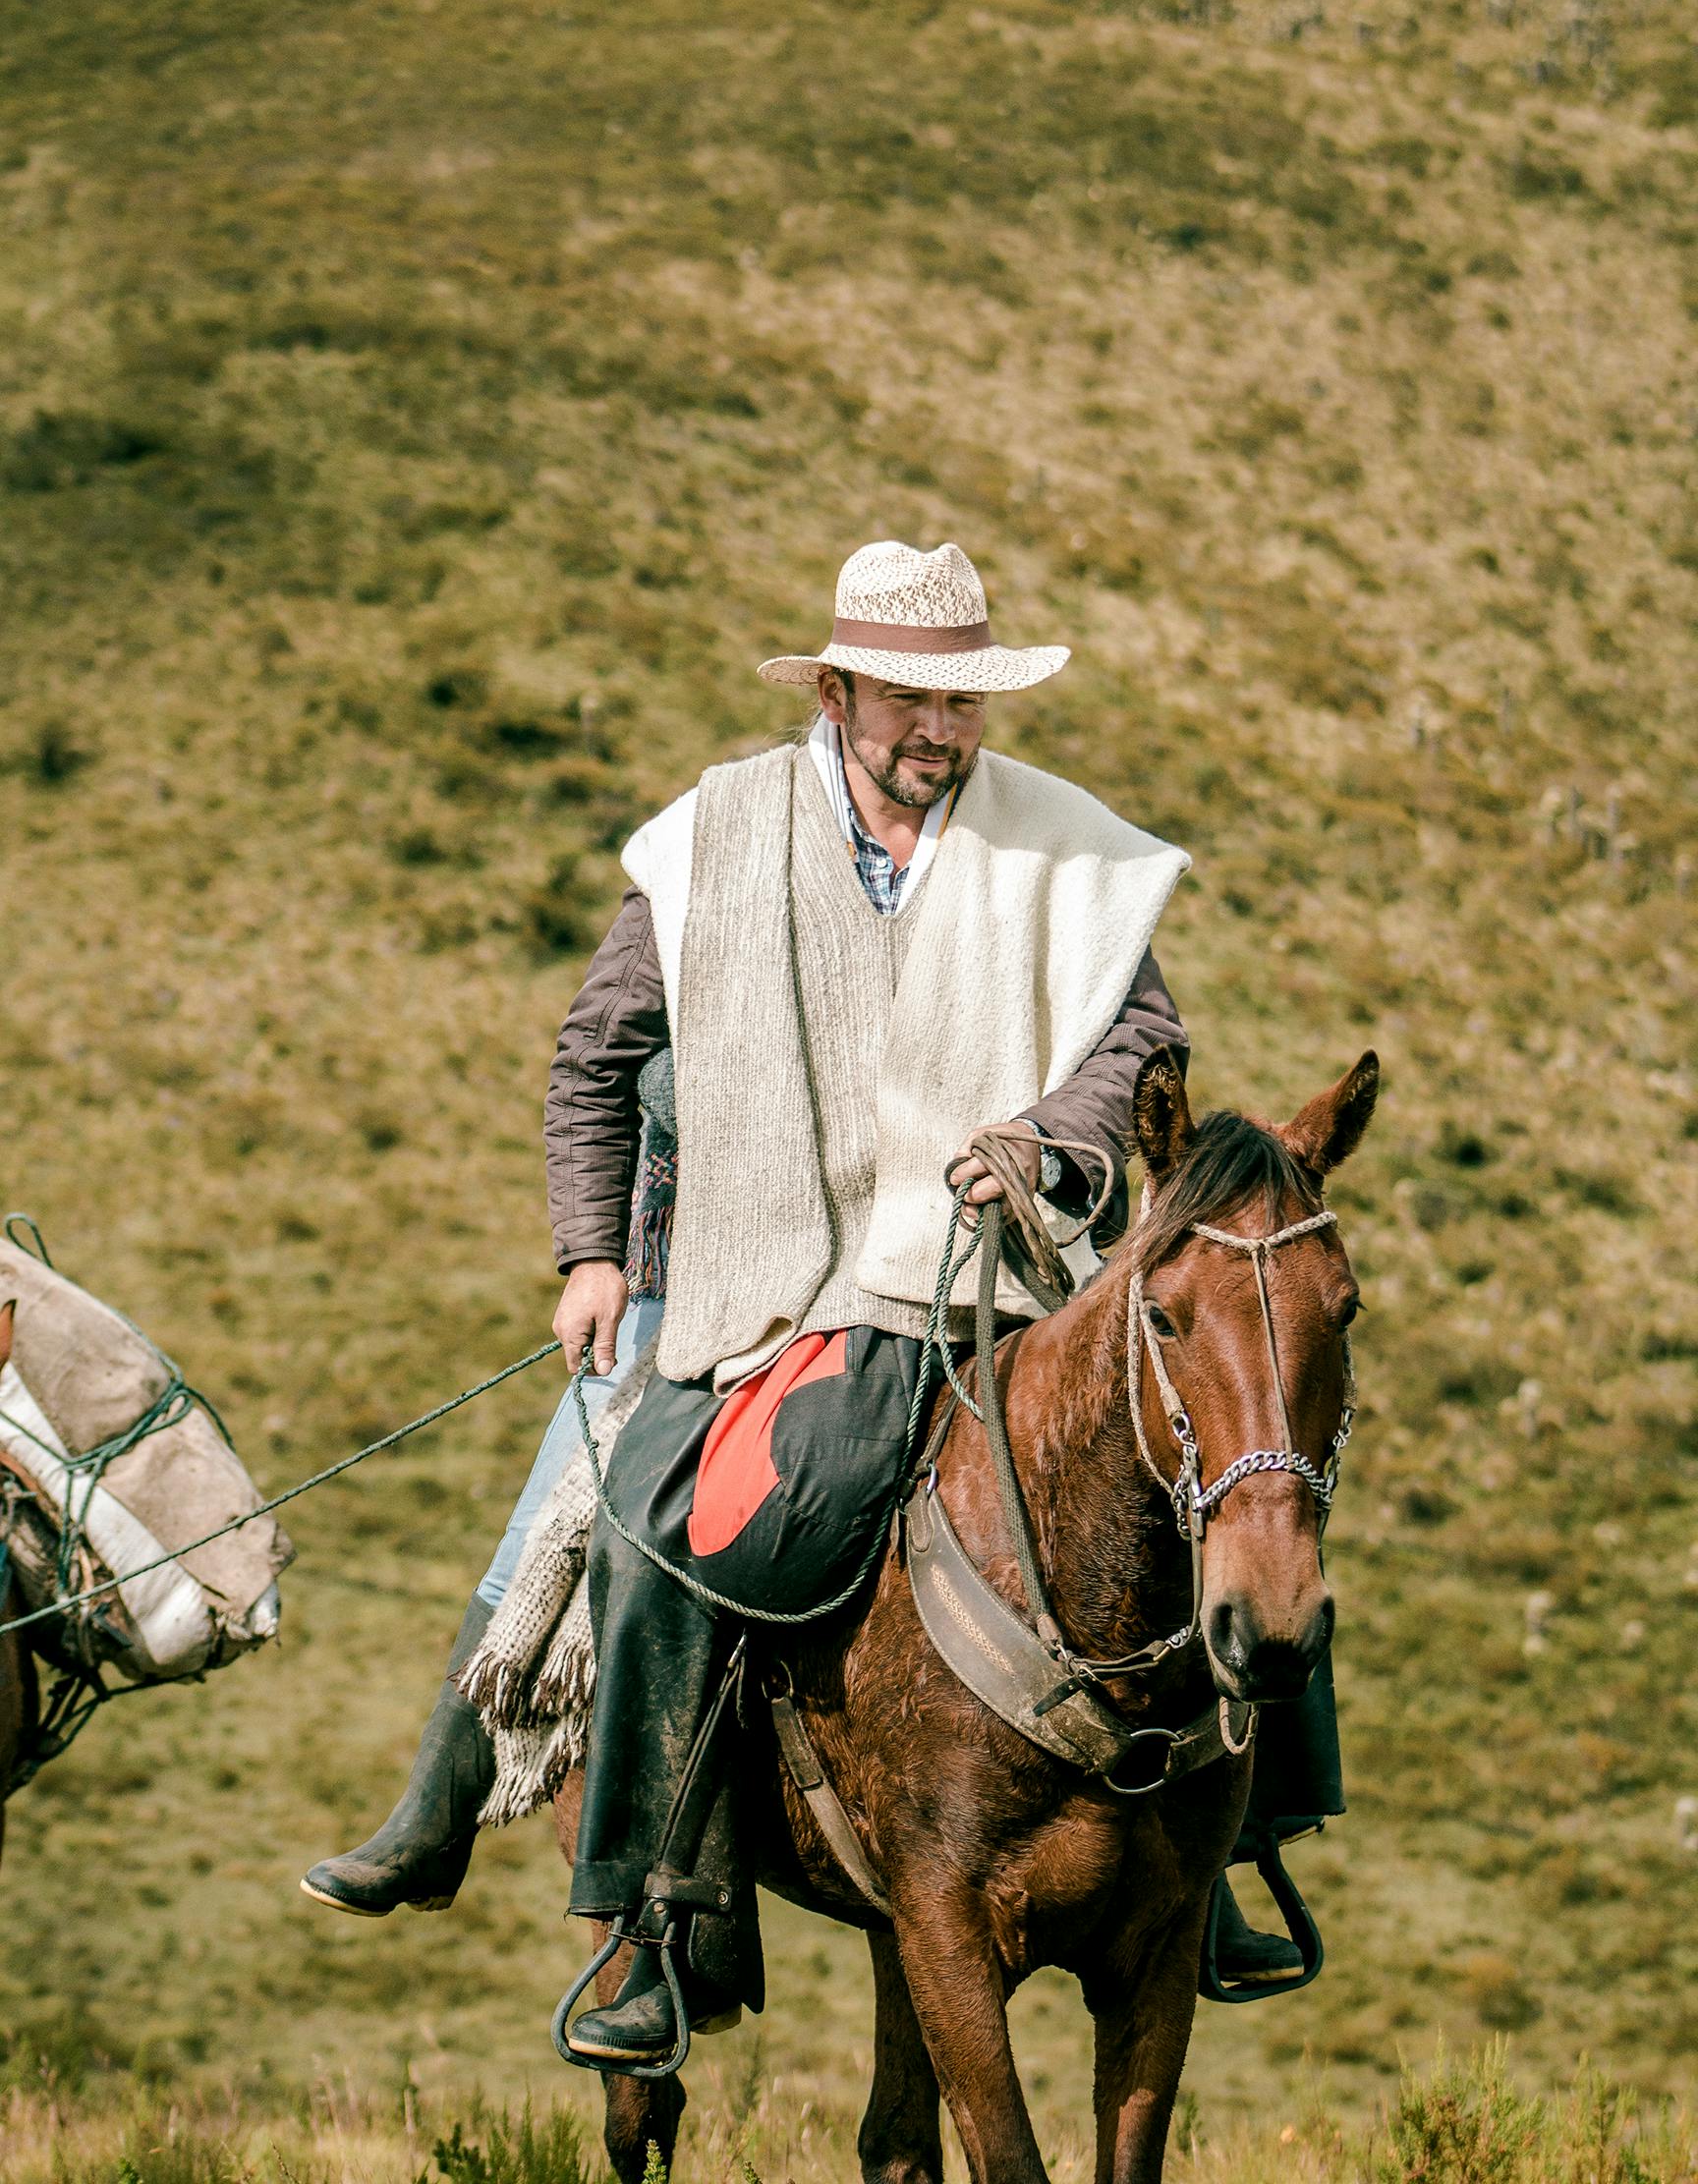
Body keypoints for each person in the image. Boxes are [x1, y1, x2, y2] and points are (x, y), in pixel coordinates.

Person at [303, 537, 1338, 2027]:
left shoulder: (1063, 844)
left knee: (1249, 1460)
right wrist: (591, 1258)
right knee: (654, 1523)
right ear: (838, 692)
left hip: (1008, 1281)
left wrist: (1050, 1137)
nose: (939, 729)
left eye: (961, 702)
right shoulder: (714, 835)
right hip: (769, 1288)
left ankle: (1228, 1858)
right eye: (909, 699)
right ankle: (655, 1917)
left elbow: (1141, 1042)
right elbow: (596, 1055)